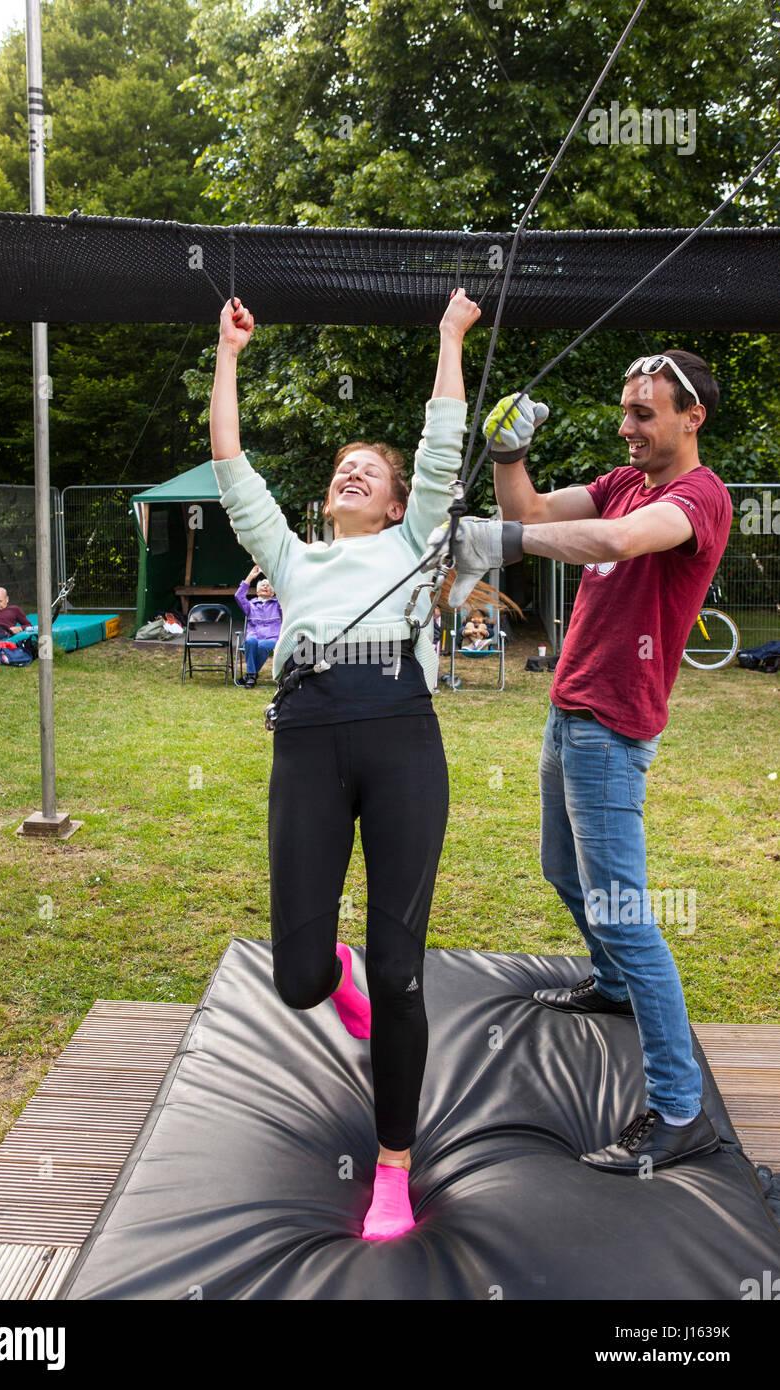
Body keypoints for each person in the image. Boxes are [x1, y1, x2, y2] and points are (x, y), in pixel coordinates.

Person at [210, 287, 482, 1239]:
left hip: (403, 738)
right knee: (296, 976)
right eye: (343, 469)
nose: (353, 474)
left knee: (401, 970)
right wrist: (230, 353)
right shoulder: (293, 559)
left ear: (401, 501)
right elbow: (232, 468)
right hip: (309, 743)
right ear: (329, 498)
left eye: (371, 469)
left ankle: (394, 1169)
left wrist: (450, 337)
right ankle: (336, 979)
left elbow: (444, 445)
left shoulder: (416, 543)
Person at [441, 351, 732, 1173]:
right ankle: (607, 982)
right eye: (625, 408)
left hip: (614, 726)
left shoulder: (698, 498)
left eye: (644, 412)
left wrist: (504, 538)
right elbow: (531, 510)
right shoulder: (620, 478)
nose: (626, 425)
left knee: (626, 913)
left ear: (690, 417)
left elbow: (612, 540)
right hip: (571, 708)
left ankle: (680, 1113)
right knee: (561, 870)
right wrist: (507, 457)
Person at [235, 565, 282, 686]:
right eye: (263, 585)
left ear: (273, 593)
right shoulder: (250, 605)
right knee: (250, 641)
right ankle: (252, 675)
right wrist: (250, 577)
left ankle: (250, 675)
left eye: (269, 585)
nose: (266, 586)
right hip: (254, 635)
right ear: (256, 592)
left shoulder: (278, 604)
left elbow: (287, 594)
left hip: (272, 637)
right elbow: (238, 596)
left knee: (263, 646)